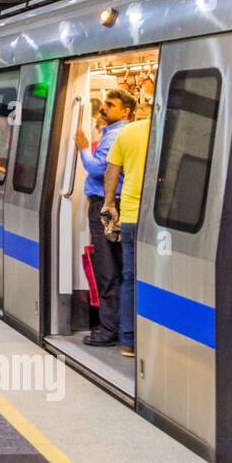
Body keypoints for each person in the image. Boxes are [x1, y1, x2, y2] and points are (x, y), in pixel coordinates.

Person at [75, 89, 134, 347]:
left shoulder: (117, 134)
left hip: (107, 206)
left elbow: (98, 169)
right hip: (117, 205)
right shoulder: (112, 133)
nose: (104, 108)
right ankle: (120, 327)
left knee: (108, 267)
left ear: (125, 111)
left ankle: (109, 329)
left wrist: (84, 150)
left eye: (110, 105)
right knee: (119, 267)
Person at [102, 111, 152, 358]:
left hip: (131, 215)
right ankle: (157, 337)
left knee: (130, 277)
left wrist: (109, 203)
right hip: (162, 221)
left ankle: (129, 341)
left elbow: (112, 170)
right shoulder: (177, 129)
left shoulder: (129, 132)